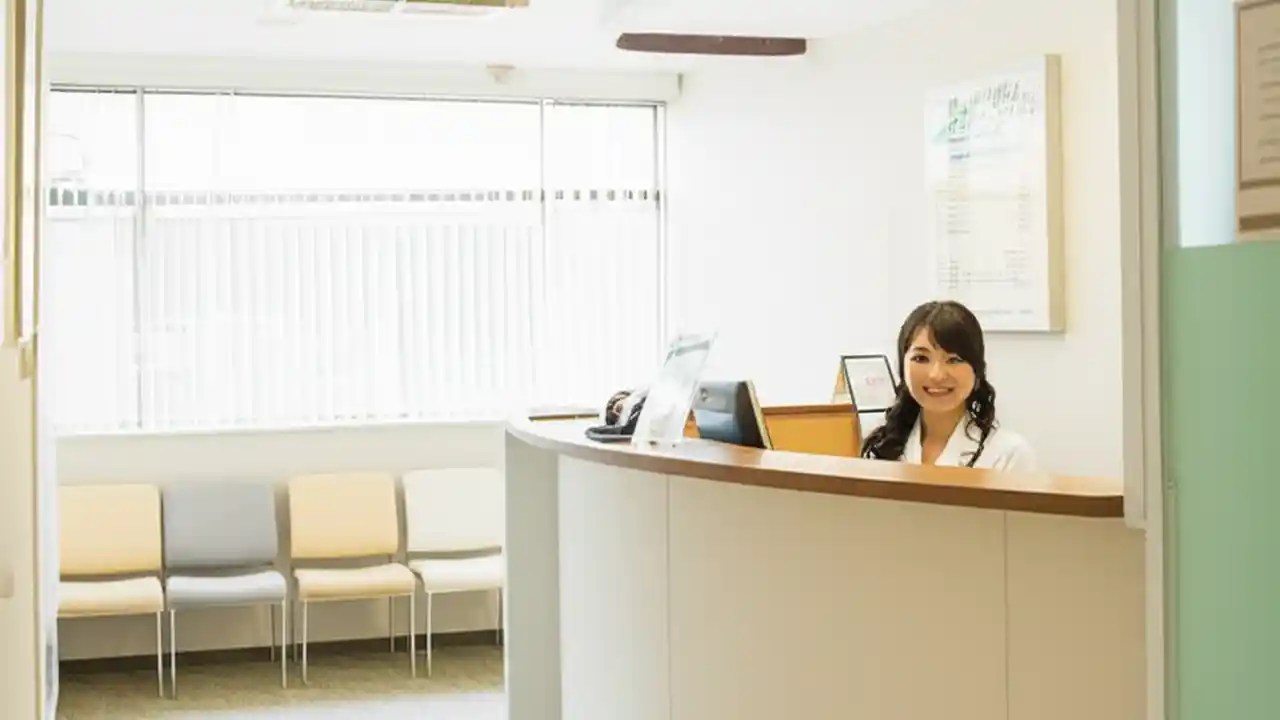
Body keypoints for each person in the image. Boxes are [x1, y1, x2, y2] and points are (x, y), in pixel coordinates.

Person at [861, 300, 1036, 471]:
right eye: (921, 358)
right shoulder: (879, 447)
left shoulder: (1008, 455)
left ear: (977, 370)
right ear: (902, 366)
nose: (936, 375)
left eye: (954, 360)